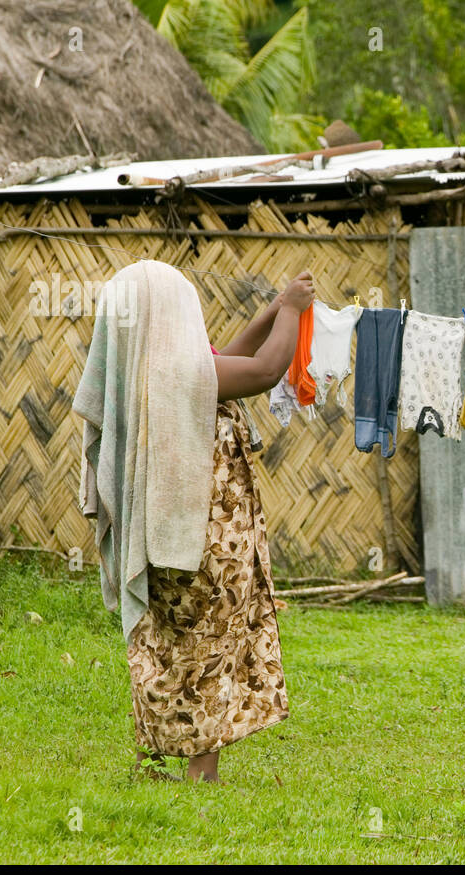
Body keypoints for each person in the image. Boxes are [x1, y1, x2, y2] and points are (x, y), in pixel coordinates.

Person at [74, 260, 314, 783]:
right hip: (206, 539)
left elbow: (225, 358)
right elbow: (266, 369)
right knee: (211, 643)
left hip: (156, 538)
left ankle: (151, 760)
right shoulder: (182, 374)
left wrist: (273, 309)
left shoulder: (146, 374)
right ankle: (202, 771)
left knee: (162, 644)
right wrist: (293, 312)